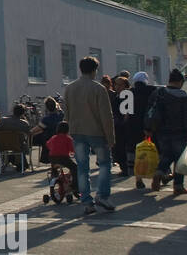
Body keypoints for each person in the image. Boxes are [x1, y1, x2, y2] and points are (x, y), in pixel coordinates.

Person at [65, 56, 116, 216]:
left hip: (77, 131)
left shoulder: (70, 88)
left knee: (82, 167)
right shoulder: (98, 89)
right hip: (96, 132)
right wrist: (111, 137)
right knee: (105, 164)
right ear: (94, 70)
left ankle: (87, 201)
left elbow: (66, 112)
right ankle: (102, 196)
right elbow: (106, 116)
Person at [146, 69, 187, 196]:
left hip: (161, 131)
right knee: (179, 160)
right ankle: (178, 186)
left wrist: (148, 128)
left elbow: (149, 111)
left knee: (166, 155)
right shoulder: (183, 95)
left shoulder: (158, 92)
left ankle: (159, 172)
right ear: (180, 82)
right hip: (179, 132)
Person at [121, 71, 157, 187]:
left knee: (137, 154)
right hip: (149, 126)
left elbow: (125, 114)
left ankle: (138, 179)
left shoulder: (128, 93)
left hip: (133, 127)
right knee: (152, 152)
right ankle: (155, 177)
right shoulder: (153, 91)